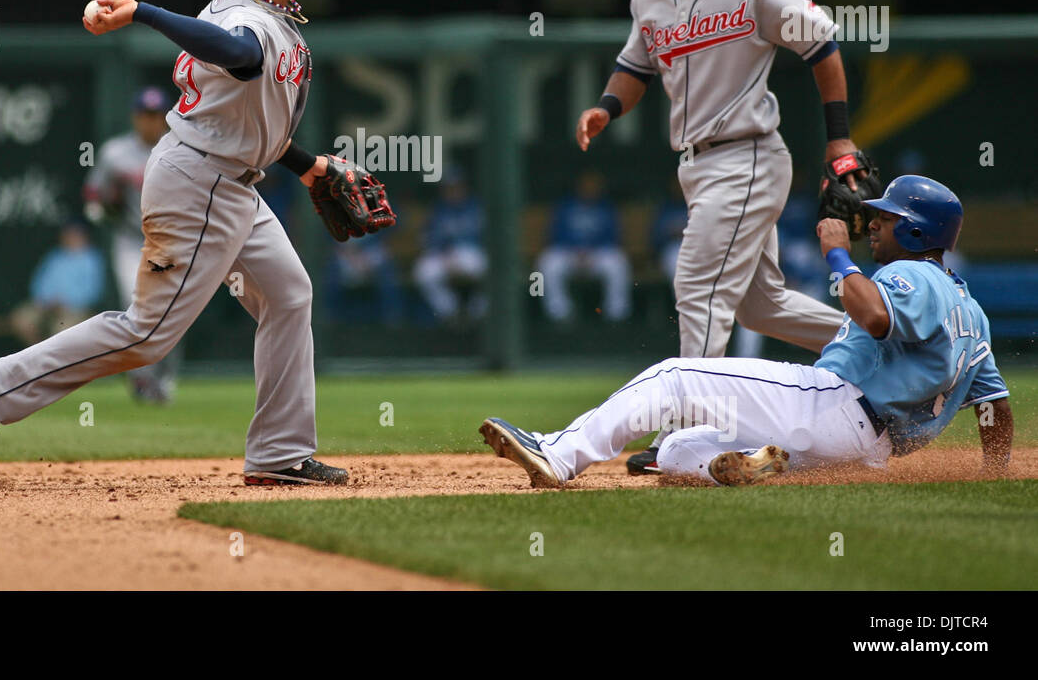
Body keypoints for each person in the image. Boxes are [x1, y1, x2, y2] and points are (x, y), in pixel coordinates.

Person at [0, 0, 350, 486]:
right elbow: (237, 54)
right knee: (148, 334)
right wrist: (143, 12)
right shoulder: (246, 23)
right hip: (202, 185)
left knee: (288, 295)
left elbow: (246, 118)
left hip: (230, 178)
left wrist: (308, 167)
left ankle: (279, 454)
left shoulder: (254, 11)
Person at [578, 0, 866, 473]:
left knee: (698, 288)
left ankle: (685, 432)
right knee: (763, 307)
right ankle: (881, 340)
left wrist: (838, 137)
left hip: (748, 154)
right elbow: (635, 66)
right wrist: (607, 107)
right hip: (697, 164)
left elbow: (821, 44)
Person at [480, 176, 1013, 488]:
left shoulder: (912, 274)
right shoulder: (973, 315)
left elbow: (874, 317)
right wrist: (995, 473)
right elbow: (995, 407)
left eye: (887, 218)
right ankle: (746, 468)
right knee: (676, 449)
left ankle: (559, 455)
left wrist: (836, 253)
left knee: (673, 378)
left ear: (917, 231)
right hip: (864, 452)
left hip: (834, 404)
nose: (873, 223)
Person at [83, 86, 182, 404]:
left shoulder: (180, 148)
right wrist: (102, 206)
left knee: (170, 308)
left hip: (168, 239)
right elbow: (94, 193)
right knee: (135, 304)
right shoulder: (115, 152)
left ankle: (164, 376)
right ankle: (142, 378)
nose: (149, 121)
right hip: (129, 238)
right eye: (144, 114)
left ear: (165, 117)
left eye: (155, 115)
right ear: (135, 117)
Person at [536, 170, 632, 322]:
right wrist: (575, 250)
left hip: (597, 254)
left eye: (594, 185)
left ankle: (616, 313)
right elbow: (555, 234)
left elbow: (614, 236)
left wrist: (591, 250)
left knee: (618, 262)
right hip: (569, 253)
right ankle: (559, 313)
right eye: (586, 185)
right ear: (579, 186)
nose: (590, 188)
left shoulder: (606, 207)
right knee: (548, 262)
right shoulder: (565, 205)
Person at [9, 222, 107, 346]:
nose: (71, 238)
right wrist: (47, 299)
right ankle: (40, 352)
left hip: (76, 308)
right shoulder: (55, 256)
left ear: (84, 236)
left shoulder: (93, 259)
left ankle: (56, 356)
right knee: (21, 319)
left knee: (61, 330)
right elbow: (38, 283)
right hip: (46, 305)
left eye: (75, 234)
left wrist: (66, 301)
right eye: (68, 234)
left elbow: (93, 291)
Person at [413, 171, 487, 322]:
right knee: (423, 272)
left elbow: (487, 237)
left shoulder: (476, 207)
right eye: (449, 188)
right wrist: (443, 255)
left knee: (491, 272)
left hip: (472, 253)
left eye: (457, 187)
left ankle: (477, 314)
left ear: (464, 188)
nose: (453, 191)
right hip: (443, 255)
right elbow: (427, 238)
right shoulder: (438, 209)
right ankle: (451, 312)